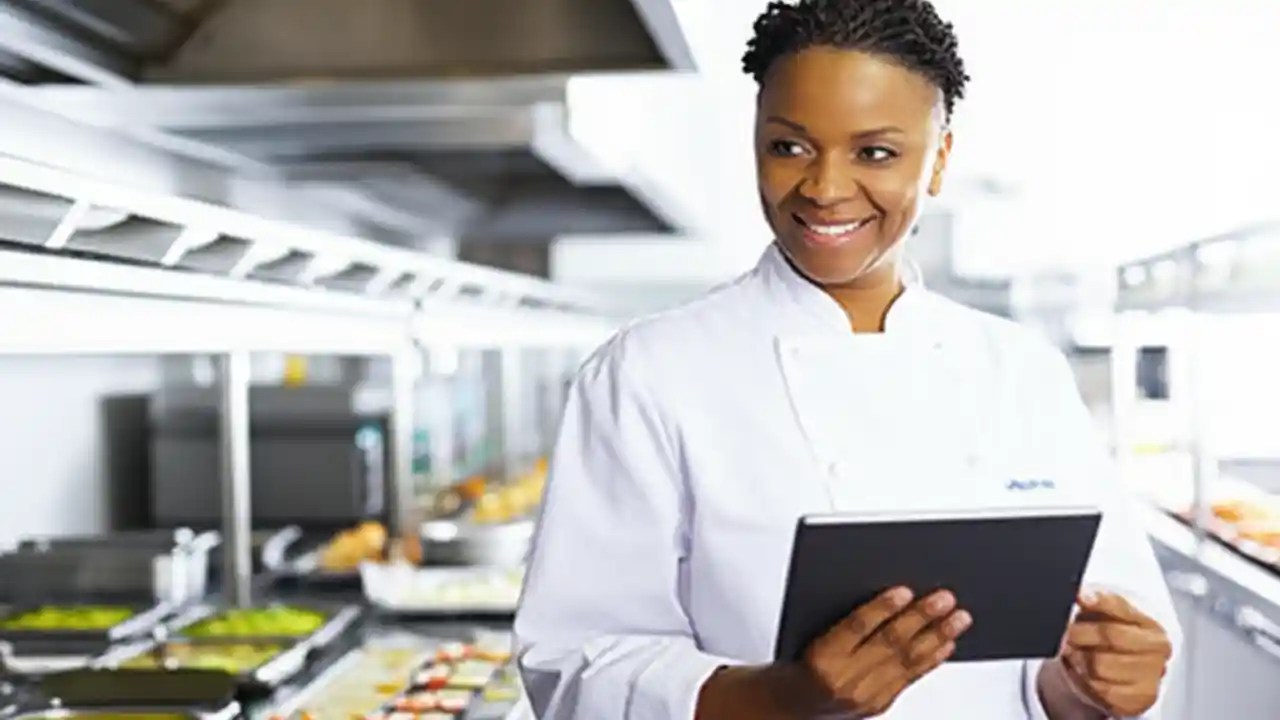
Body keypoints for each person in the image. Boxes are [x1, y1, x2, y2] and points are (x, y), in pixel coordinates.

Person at [514, 0, 1179, 718]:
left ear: (939, 161)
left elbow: (1086, 640)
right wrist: (783, 697)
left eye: (876, 152)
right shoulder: (649, 373)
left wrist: (1090, 681)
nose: (825, 188)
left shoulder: (1021, 372)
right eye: (790, 146)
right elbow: (579, 661)